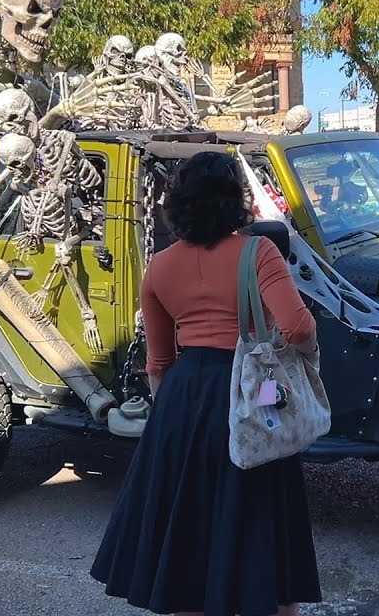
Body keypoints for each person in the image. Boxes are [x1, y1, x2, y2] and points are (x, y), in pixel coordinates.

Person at [91, 151, 322, 616]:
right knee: (261, 514)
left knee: (188, 533)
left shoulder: (158, 266)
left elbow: (159, 360)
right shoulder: (259, 252)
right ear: (234, 201)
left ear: (179, 204)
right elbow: (298, 327)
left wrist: (172, 418)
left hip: (183, 396)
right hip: (250, 390)